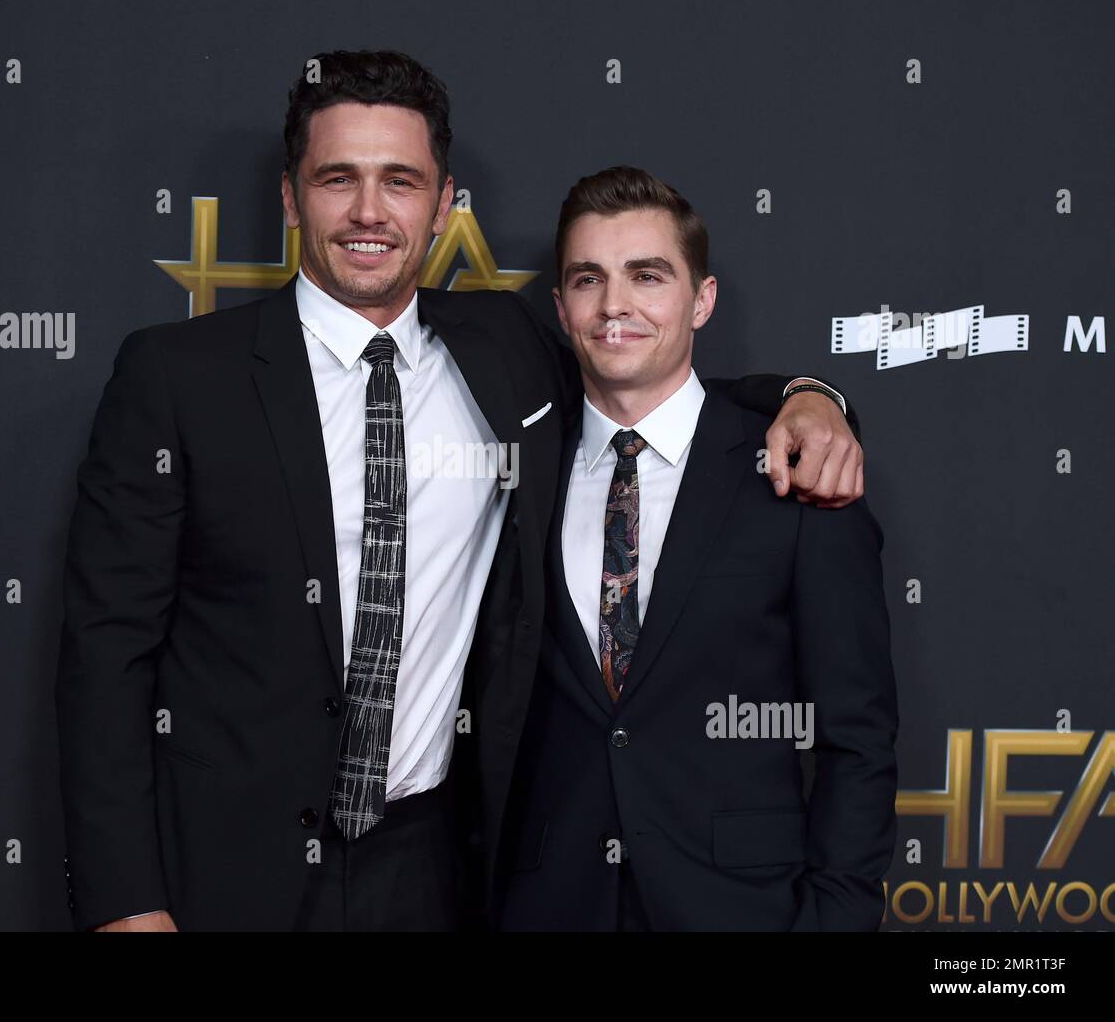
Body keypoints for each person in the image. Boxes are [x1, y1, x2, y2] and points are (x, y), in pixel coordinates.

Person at [54, 50, 865, 932]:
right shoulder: (176, 378)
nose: (370, 212)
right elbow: (105, 660)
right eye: (338, 179)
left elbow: (648, 369)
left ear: (442, 207)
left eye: (401, 182)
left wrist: (809, 397)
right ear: (291, 197)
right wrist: (127, 904)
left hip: (433, 872)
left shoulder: (506, 353)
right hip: (222, 873)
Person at [498, 166, 898, 931]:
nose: (615, 305)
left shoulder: (797, 470)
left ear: (701, 300)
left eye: (648, 276)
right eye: (589, 279)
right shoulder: (516, 466)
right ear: (560, 306)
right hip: (547, 906)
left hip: (741, 909)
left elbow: (859, 739)